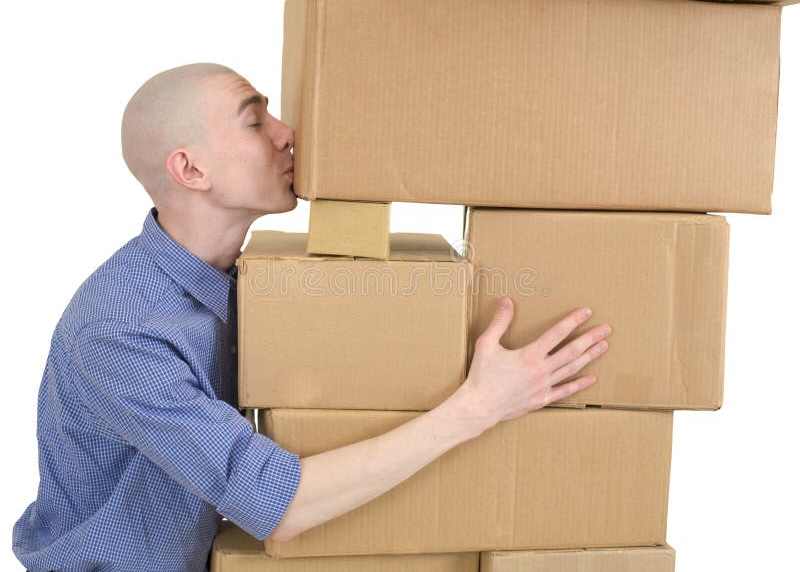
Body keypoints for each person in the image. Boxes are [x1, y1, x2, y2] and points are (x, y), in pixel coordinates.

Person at [12, 63, 611, 571]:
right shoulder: (124, 330)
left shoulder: (239, 284)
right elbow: (279, 505)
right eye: (255, 121)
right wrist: (479, 406)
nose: (285, 133)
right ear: (191, 171)